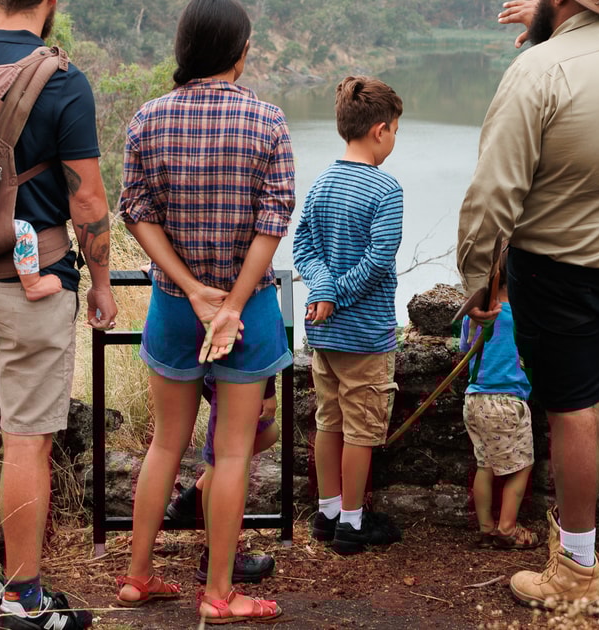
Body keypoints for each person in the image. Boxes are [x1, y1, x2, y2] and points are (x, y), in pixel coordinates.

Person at [456, 0, 599, 612]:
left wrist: (478, 280)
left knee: (572, 411)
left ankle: (577, 573)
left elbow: (493, 195)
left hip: (559, 265)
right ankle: (582, 542)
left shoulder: (539, 71)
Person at [0, 0, 118, 628]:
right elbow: (87, 197)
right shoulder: (59, 78)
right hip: (29, 284)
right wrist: (99, 282)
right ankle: (24, 601)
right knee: (26, 443)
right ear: (49, 3)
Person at [115, 0, 293, 622]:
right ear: (239, 52)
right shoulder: (267, 121)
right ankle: (219, 594)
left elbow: (135, 211)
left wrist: (190, 288)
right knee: (235, 452)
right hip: (249, 313)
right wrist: (233, 304)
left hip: (173, 307)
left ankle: (137, 576)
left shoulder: (148, 119)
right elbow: (273, 221)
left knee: (165, 445)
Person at [292, 76, 405, 556]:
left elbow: (302, 246)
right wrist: (336, 293)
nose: (395, 139)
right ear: (379, 130)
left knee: (329, 421)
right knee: (361, 428)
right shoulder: (387, 189)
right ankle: (352, 525)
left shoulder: (322, 183)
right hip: (365, 335)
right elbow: (380, 260)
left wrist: (323, 289)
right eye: (396, 130)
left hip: (324, 332)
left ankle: (328, 512)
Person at [164, 373, 280, 585]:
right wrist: (269, 388)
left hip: (211, 363)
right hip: (237, 367)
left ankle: (191, 502)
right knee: (227, 458)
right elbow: (259, 339)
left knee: (264, 435)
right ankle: (218, 561)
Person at [458, 253, 540, 550]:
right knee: (522, 467)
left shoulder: (476, 313)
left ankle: (486, 527)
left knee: (486, 465)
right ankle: (507, 528)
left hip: (475, 399)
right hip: (506, 401)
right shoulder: (521, 315)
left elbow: (465, 348)